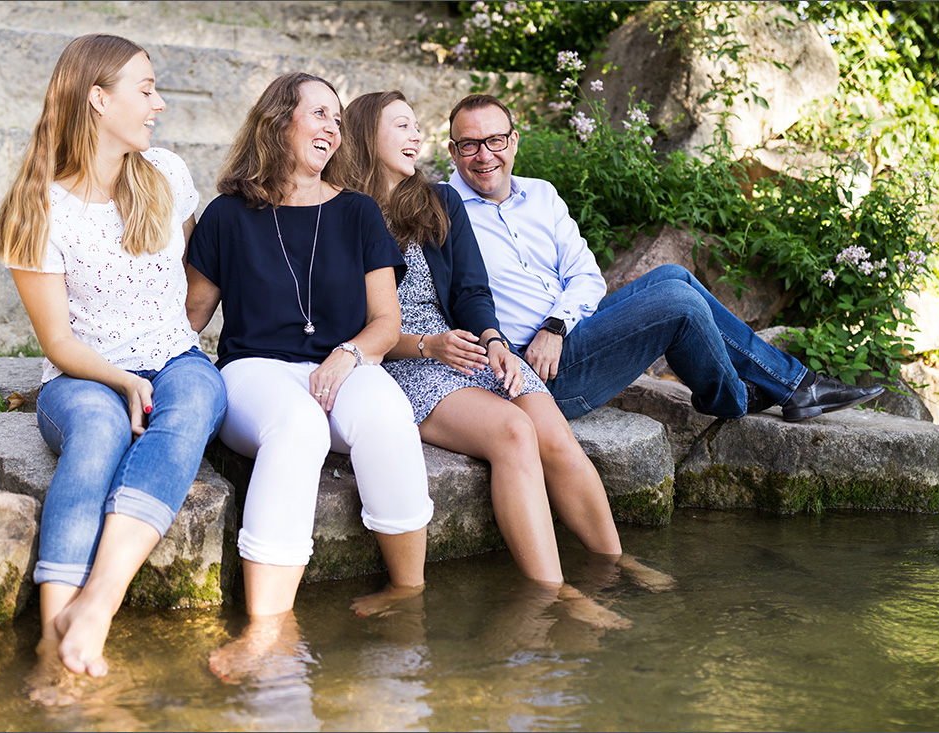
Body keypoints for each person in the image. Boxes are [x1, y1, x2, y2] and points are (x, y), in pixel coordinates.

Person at [340, 90, 673, 621]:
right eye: (402, 125)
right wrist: (427, 345)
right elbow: (345, 325)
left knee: (554, 434)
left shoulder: (437, 201)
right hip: (398, 360)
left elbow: (471, 290)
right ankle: (556, 593)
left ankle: (613, 562)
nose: (416, 135)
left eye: (415, 125)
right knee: (515, 433)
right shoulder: (339, 213)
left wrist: (494, 341)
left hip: (464, 344)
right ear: (366, 136)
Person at [0, 34, 227, 682]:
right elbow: (58, 342)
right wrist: (122, 380)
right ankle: (51, 642)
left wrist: (165, 363)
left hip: (175, 357)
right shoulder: (38, 208)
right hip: (82, 373)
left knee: (197, 398)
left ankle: (98, 602)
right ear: (97, 98)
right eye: (146, 90)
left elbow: (189, 284)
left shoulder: (166, 174)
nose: (159, 103)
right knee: (99, 430)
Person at [185, 73, 435, 682]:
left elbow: (386, 322)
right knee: (299, 427)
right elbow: (189, 318)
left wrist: (349, 354)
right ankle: (269, 630)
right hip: (254, 372)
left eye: (338, 119)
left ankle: (408, 593)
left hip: (344, 362)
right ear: (278, 120)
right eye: (319, 113)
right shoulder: (227, 215)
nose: (333, 128)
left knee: (387, 415)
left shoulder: (359, 212)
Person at [446, 94, 884, 423]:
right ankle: (736, 398)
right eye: (469, 145)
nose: (485, 155)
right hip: (538, 375)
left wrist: (555, 326)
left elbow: (587, 277)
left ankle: (795, 384)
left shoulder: (541, 194)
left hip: (566, 335)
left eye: (495, 140)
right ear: (452, 151)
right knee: (677, 302)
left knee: (673, 275)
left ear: (514, 141)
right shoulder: (442, 213)